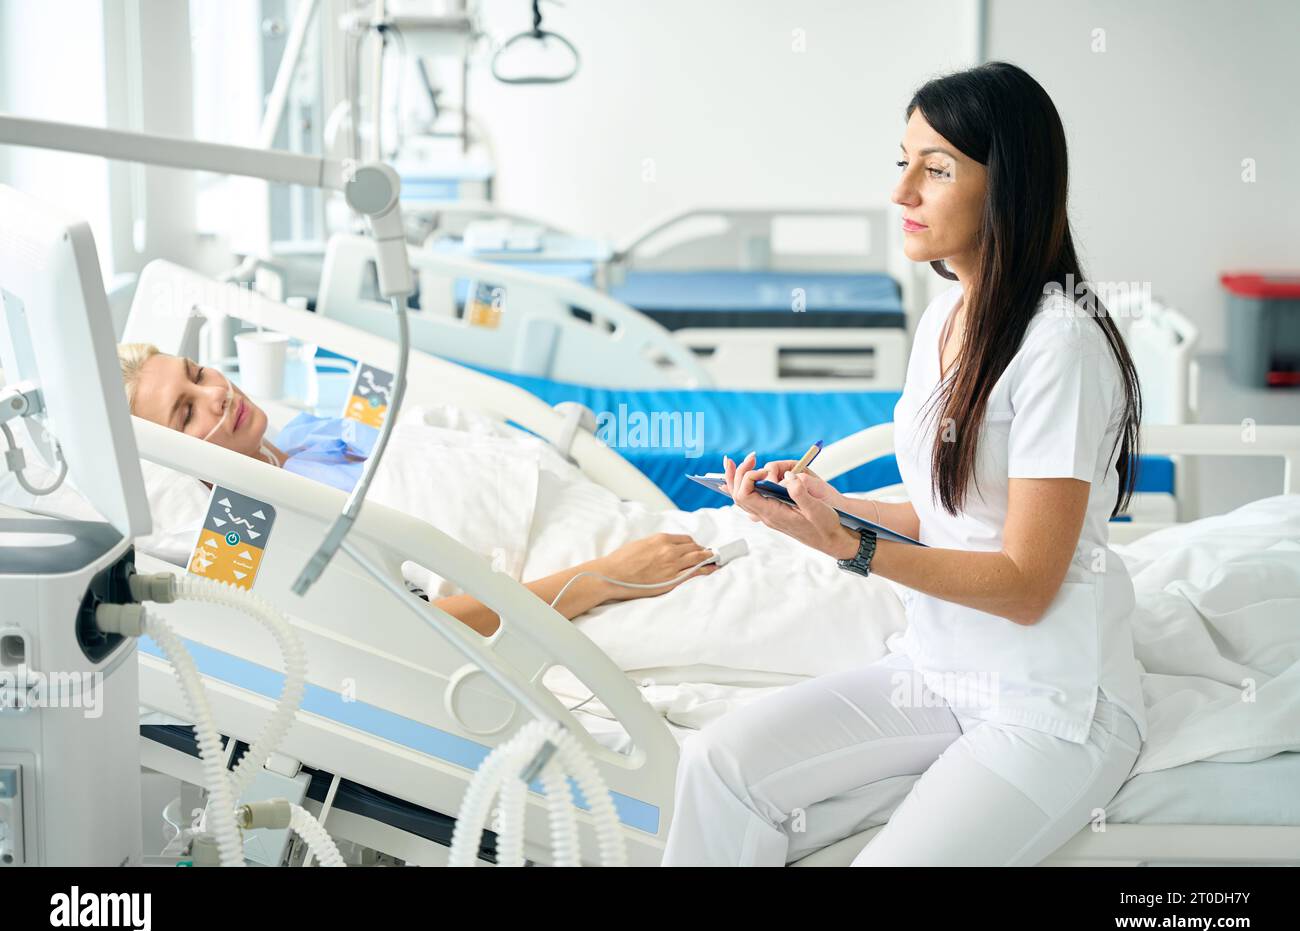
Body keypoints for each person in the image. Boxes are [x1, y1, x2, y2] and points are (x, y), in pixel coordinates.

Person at [661, 61, 1149, 866]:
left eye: (939, 168)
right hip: (940, 667)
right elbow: (943, 516)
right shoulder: (947, 319)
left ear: (1010, 187)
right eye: (904, 163)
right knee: (717, 767)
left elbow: (1028, 583)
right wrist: (821, 508)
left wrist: (851, 549)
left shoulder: (1061, 345)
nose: (903, 193)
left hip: (1049, 706)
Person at [116, 342, 718, 637]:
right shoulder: (277, 535)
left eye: (198, 374)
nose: (216, 394)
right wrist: (607, 576)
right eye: (186, 414)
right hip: (586, 582)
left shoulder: (308, 435)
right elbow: (424, 634)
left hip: (610, 519)